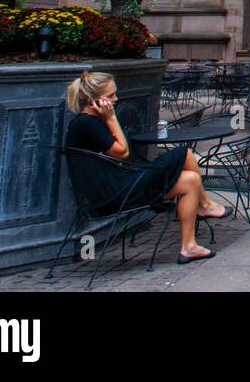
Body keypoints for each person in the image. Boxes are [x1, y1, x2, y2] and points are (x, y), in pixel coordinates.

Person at [64, 71, 230, 264]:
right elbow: (122, 152)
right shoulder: (87, 123)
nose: (115, 99)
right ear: (94, 99)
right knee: (183, 153)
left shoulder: (87, 122)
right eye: (110, 96)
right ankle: (205, 205)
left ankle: (189, 247)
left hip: (113, 188)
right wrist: (111, 118)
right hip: (114, 193)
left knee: (190, 181)